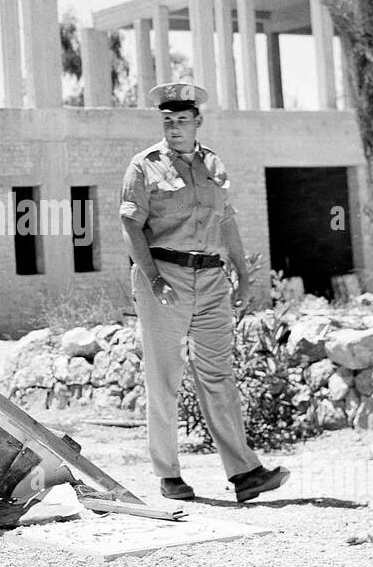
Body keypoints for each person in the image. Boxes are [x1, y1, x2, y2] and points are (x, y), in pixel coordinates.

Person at [119, 82, 289, 503]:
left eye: (182, 120)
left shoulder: (213, 162)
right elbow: (130, 225)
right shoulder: (144, 165)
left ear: (197, 121)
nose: (174, 127)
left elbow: (226, 221)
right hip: (165, 277)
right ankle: (168, 474)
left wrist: (244, 276)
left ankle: (245, 473)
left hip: (212, 279)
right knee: (164, 379)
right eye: (167, 121)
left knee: (219, 377)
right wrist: (153, 277)